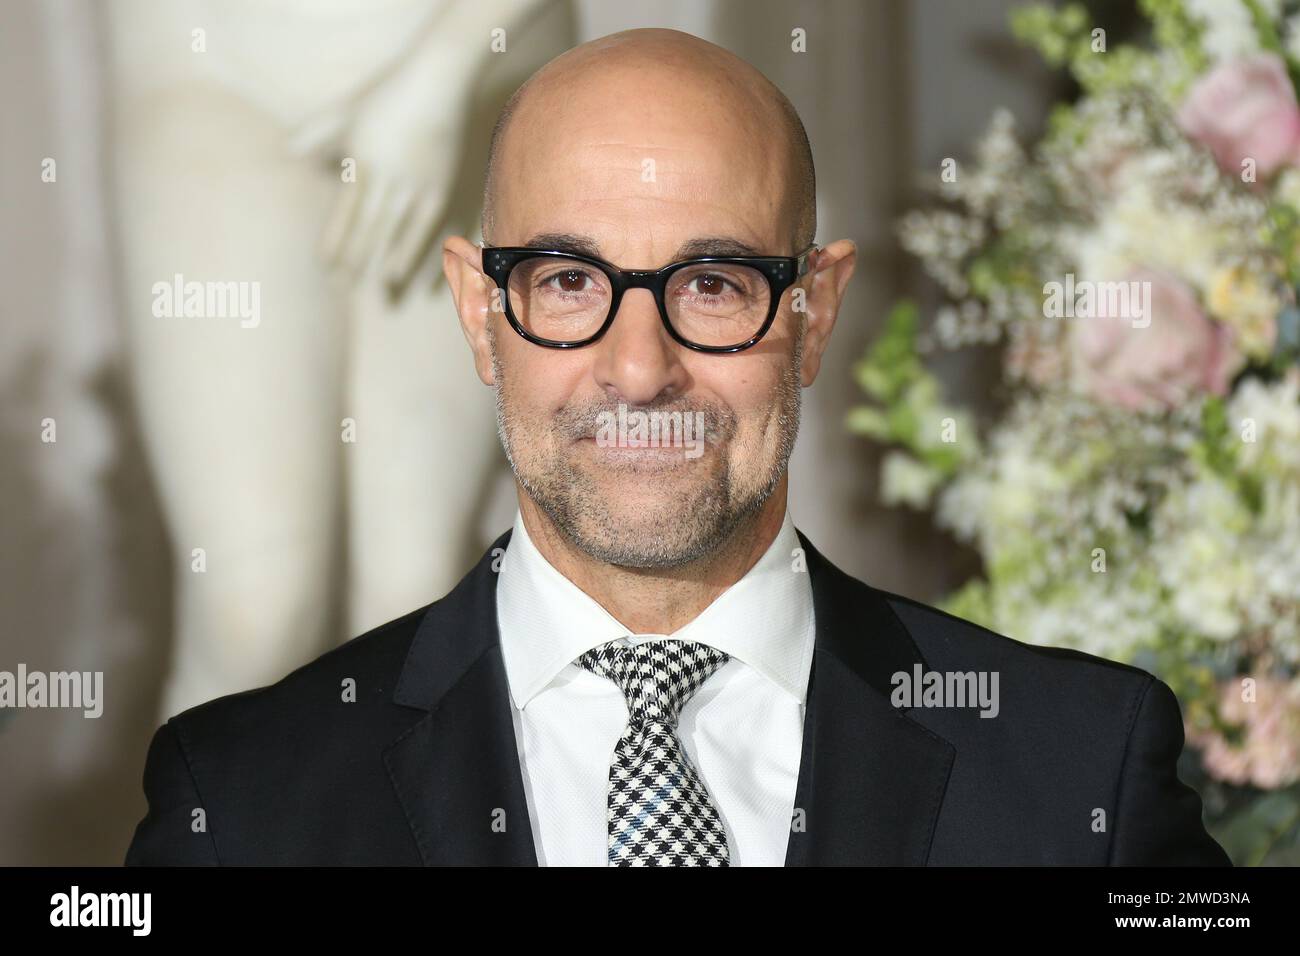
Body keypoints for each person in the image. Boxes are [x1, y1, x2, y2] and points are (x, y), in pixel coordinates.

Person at [125, 27, 1230, 866]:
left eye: (712, 284)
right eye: (567, 282)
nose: (640, 366)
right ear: (477, 311)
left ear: (815, 311)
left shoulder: (1082, 772)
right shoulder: (241, 804)